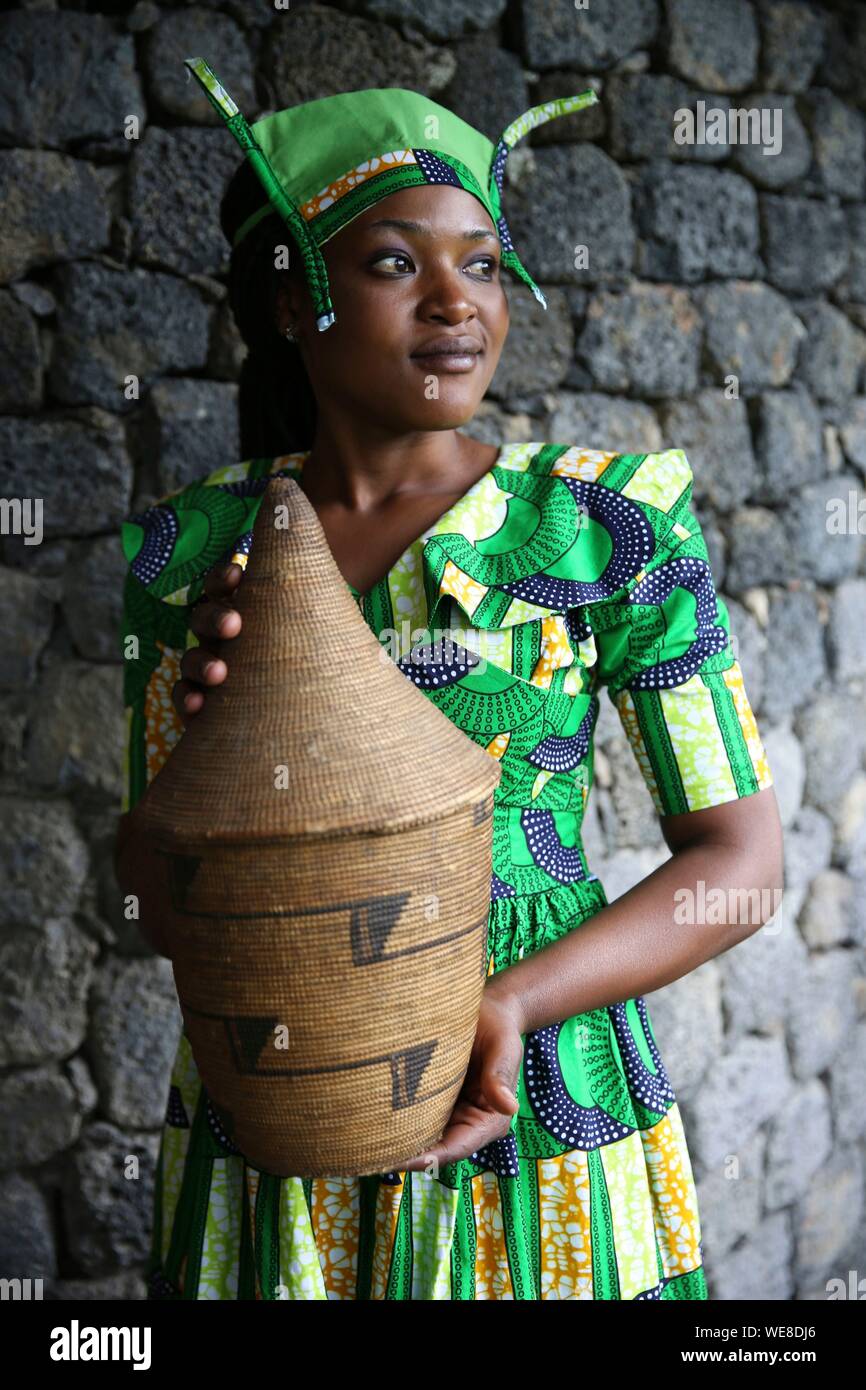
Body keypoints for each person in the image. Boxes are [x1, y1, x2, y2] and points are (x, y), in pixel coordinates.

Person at [115, 62, 784, 1301]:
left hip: (532, 1094)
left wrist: (508, 1001)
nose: (455, 304)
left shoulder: (602, 522)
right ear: (289, 303)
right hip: (277, 1093)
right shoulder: (193, 553)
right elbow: (153, 907)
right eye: (391, 264)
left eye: (480, 264)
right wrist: (221, 762)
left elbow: (737, 867)